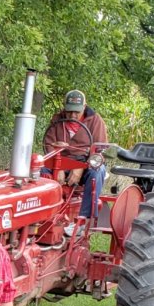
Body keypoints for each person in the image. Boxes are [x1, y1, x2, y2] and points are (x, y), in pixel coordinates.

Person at [43, 89, 109, 218]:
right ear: (64, 107)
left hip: (85, 164)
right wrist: (58, 166)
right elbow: (48, 144)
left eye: (76, 112)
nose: (72, 115)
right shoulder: (57, 119)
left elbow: (100, 150)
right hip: (59, 162)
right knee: (37, 171)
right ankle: (44, 214)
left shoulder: (95, 120)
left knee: (97, 171)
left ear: (84, 107)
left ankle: (84, 218)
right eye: (69, 111)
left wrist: (81, 166)